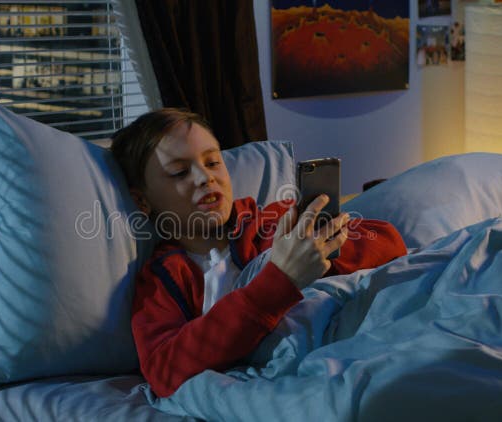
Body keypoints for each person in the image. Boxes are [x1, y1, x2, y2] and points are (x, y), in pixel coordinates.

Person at [111, 108, 407, 398]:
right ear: (143, 201)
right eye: (179, 172)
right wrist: (281, 280)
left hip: (358, 324)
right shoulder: (162, 279)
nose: (205, 178)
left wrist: (320, 253)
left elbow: (390, 243)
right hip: (303, 364)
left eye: (213, 162)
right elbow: (164, 371)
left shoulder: (277, 220)